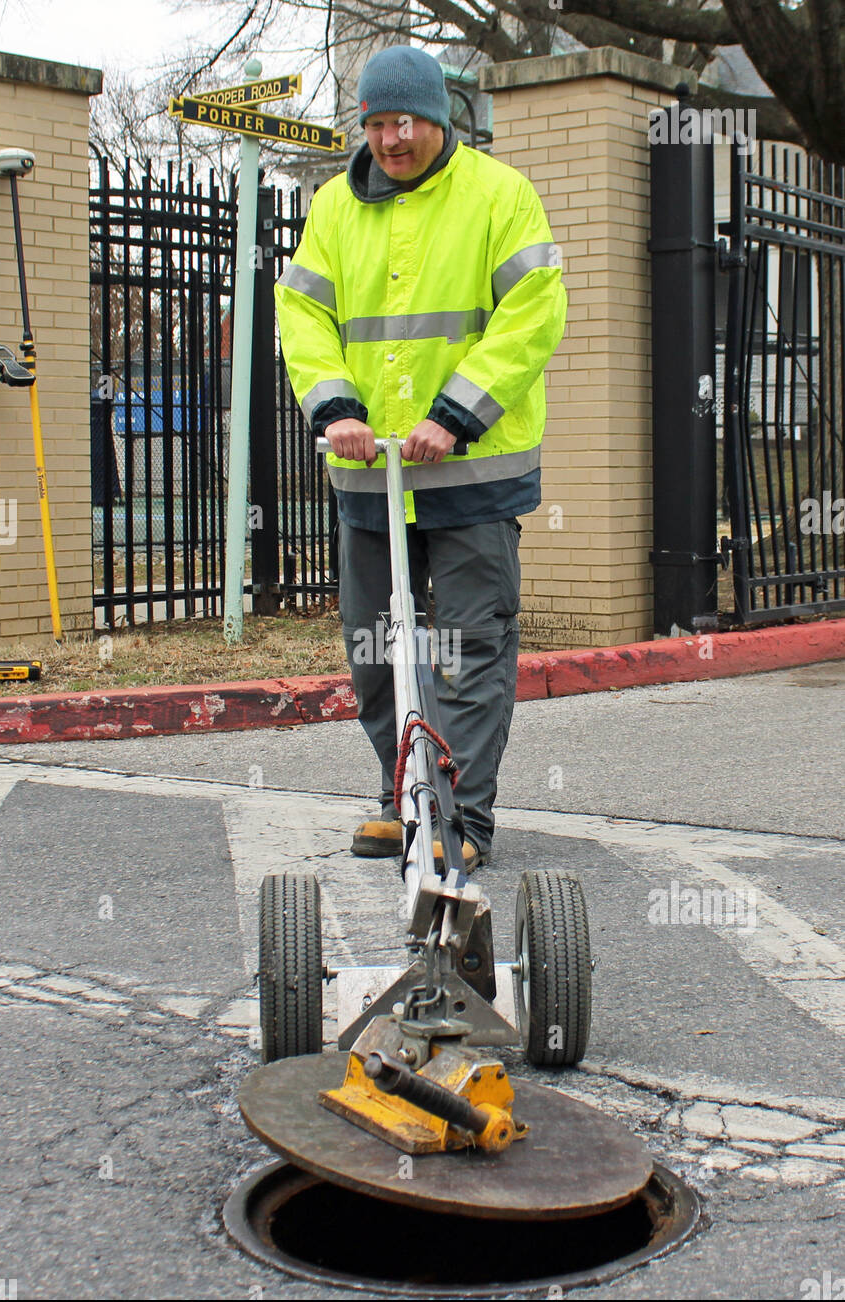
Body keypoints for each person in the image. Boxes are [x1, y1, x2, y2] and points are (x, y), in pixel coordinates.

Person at [274, 45, 567, 873]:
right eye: (375, 123)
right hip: (371, 477)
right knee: (376, 650)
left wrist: (455, 414)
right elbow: (303, 316)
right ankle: (403, 798)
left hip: (473, 475)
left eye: (404, 122)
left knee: (471, 652)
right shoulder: (333, 208)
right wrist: (335, 409)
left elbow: (533, 316)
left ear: (438, 120)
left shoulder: (499, 196)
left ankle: (462, 819)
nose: (391, 139)